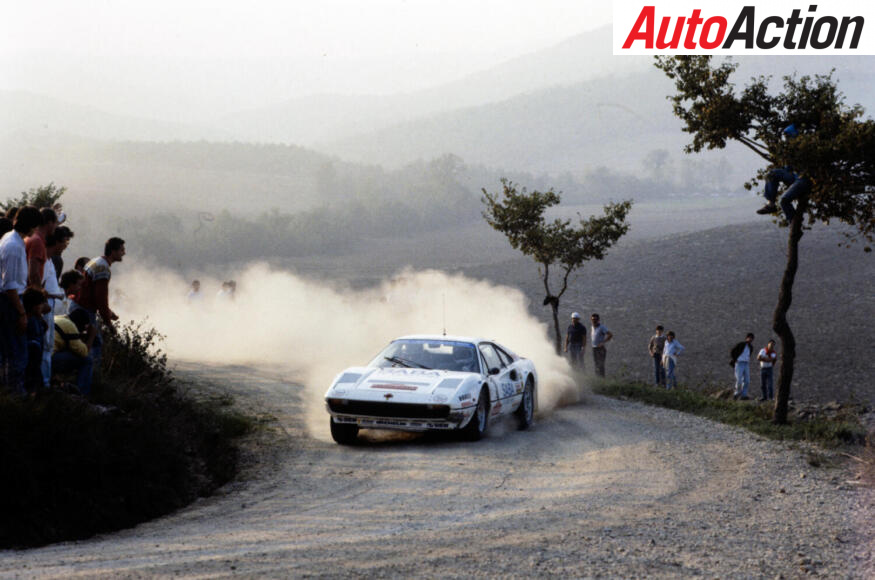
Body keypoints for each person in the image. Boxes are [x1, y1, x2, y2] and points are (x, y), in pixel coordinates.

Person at [0, 206, 42, 393]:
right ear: (30, 225)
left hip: (10, 301)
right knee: (16, 354)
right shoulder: (14, 247)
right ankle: (15, 397)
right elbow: (9, 285)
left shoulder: (9, 238)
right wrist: (22, 313)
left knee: (11, 352)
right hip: (9, 303)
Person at [71, 237, 125, 371]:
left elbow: (94, 295)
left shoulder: (96, 261)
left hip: (78, 305)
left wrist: (109, 312)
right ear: (113, 251)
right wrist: (108, 322)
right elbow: (100, 298)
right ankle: (92, 377)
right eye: (122, 250)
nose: (124, 253)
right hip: (84, 310)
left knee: (83, 342)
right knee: (95, 344)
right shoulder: (103, 268)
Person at [39, 227, 73, 388]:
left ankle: (47, 379)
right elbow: (38, 283)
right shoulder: (49, 260)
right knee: (45, 346)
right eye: (65, 240)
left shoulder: (52, 260)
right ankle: (43, 383)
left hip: (50, 305)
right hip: (45, 306)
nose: (66, 244)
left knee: (48, 345)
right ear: (58, 241)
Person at [755, 125, 810, 222]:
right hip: (794, 175)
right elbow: (788, 167)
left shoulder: (804, 147)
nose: (787, 140)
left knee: (784, 201)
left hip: (802, 178)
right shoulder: (791, 149)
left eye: (788, 137)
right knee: (771, 174)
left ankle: (793, 221)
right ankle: (770, 204)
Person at [52, 309, 96, 396]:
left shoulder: (59, 318)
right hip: (51, 359)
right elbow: (83, 353)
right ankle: (82, 395)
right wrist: (91, 336)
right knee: (87, 361)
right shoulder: (70, 326)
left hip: (42, 357)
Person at [23, 287, 50, 392]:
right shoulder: (31, 321)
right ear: (34, 307)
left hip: (35, 356)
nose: (43, 307)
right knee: (33, 377)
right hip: (33, 355)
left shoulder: (36, 319)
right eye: (41, 305)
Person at [24, 207, 58, 288]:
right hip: (29, 292)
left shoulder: (32, 237)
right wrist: (39, 294)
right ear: (49, 223)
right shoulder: (37, 241)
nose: (56, 226)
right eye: (55, 223)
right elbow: (33, 274)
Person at [730, 333, 755, 400]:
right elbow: (732, 351)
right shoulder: (741, 344)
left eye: (751, 338)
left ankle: (744, 395)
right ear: (746, 338)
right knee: (739, 380)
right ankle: (736, 393)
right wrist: (735, 359)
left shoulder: (751, 347)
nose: (750, 339)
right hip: (739, 363)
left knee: (747, 380)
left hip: (746, 364)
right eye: (749, 337)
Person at [590, 313, 613, 377]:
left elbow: (610, 335)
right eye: (592, 319)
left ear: (598, 320)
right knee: (596, 364)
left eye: (595, 319)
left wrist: (603, 342)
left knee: (601, 364)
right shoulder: (592, 327)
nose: (594, 321)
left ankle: (602, 378)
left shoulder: (602, 327)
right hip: (594, 348)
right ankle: (597, 378)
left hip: (601, 349)